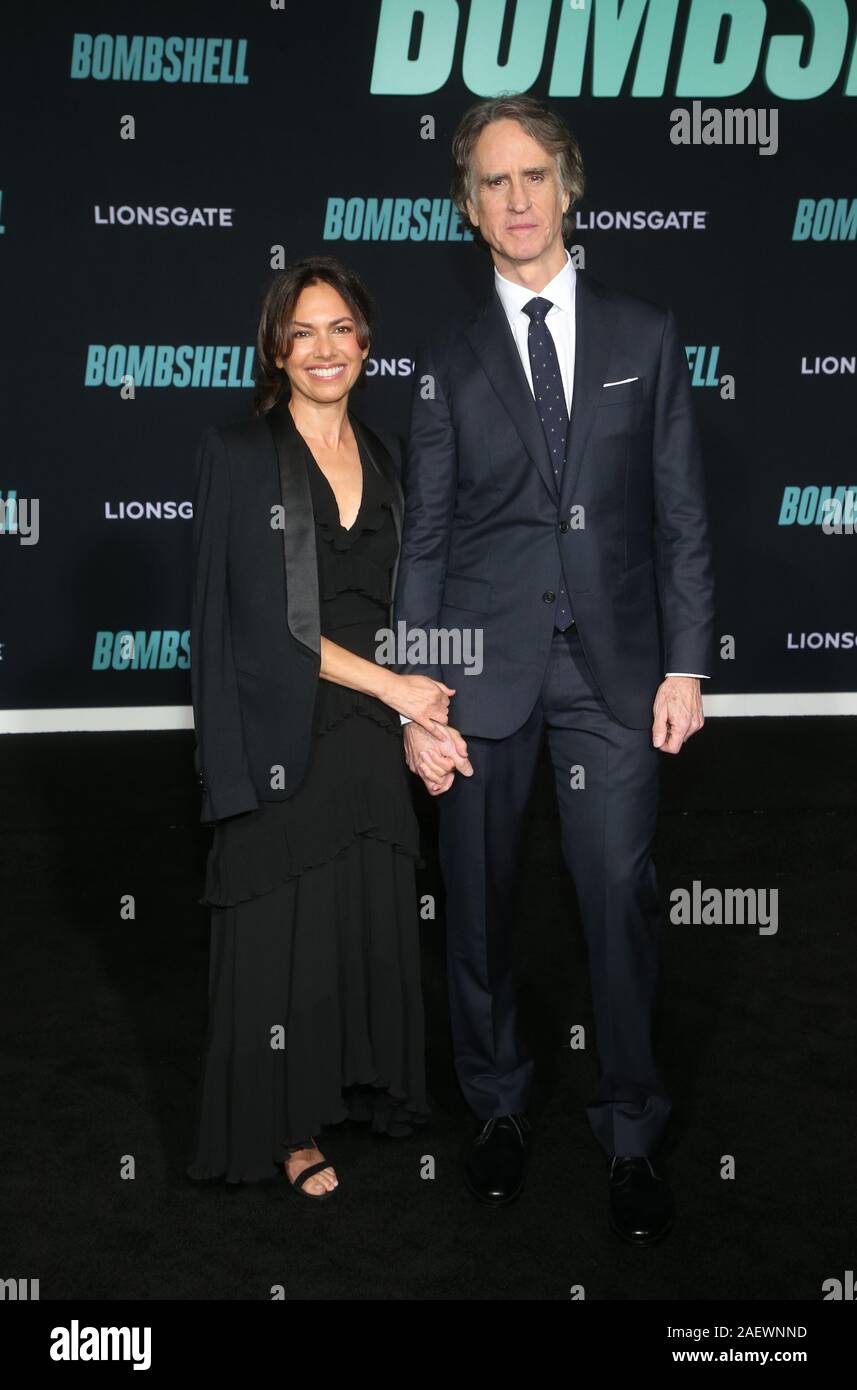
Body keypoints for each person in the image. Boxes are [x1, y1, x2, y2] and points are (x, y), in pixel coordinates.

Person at [394, 95, 715, 1242]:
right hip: (477, 676)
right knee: (474, 908)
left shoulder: (644, 333)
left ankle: (629, 1125)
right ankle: (495, 1106)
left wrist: (686, 665)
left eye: (533, 175)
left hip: (619, 676)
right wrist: (417, 697)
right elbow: (422, 539)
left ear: (567, 187)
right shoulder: (445, 357)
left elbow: (679, 518)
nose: (516, 199)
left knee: (617, 899)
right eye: (492, 183)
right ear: (469, 209)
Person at [186, 256, 451, 1198]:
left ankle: (343, 1088)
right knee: (279, 930)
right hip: (280, 724)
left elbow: (407, 599)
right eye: (304, 332)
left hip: (370, 729)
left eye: (341, 329)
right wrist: (399, 692)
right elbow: (263, 624)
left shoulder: (387, 456)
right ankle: (285, 1129)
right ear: (276, 348)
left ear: (366, 344)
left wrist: (419, 718)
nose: (324, 348)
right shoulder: (239, 453)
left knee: (351, 921)